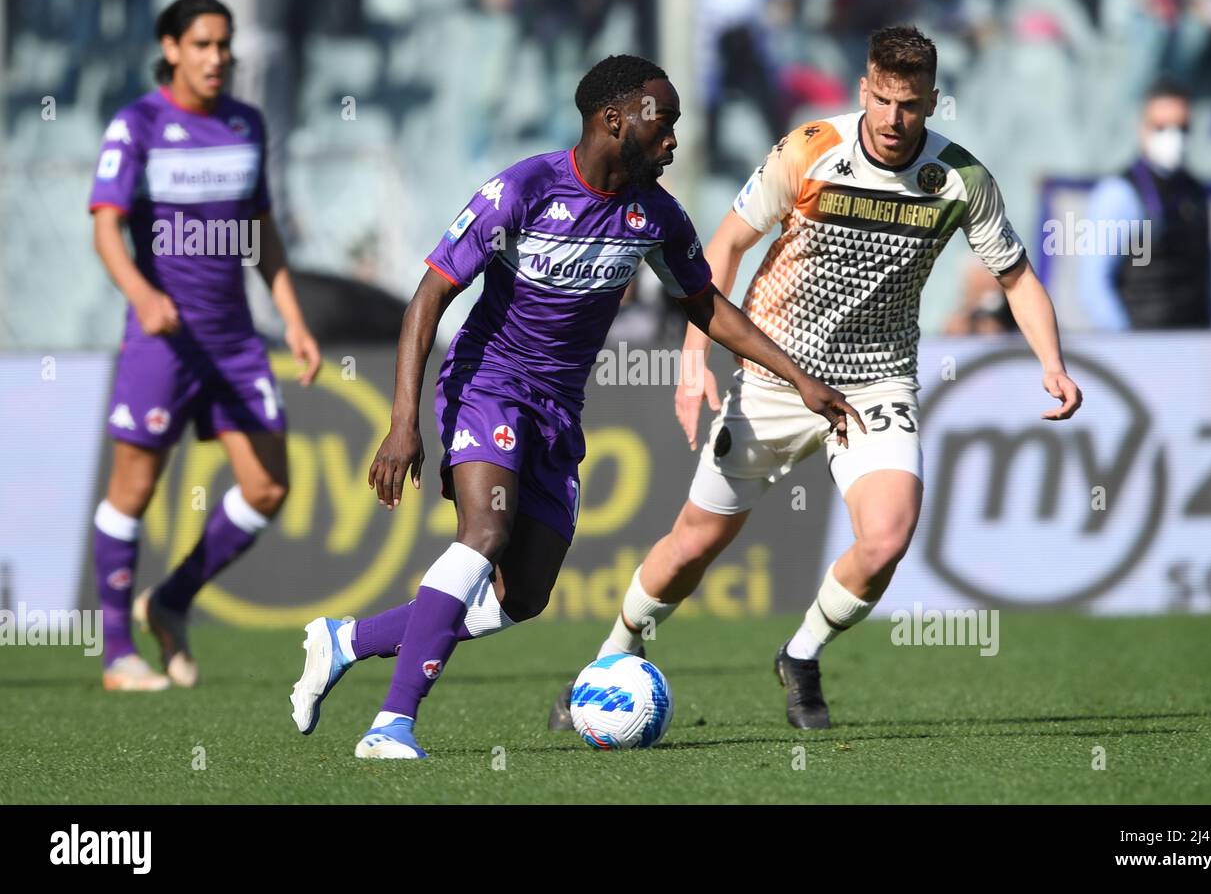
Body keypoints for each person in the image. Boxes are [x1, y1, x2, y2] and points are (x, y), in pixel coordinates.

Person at [288, 54, 865, 759]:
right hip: (488, 384)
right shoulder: (523, 191)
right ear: (613, 120)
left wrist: (799, 377)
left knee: (521, 597)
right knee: (484, 534)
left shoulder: (656, 215)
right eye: (663, 122)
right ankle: (390, 725)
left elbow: (706, 304)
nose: (673, 140)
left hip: (558, 409)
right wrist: (401, 423)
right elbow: (430, 295)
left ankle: (347, 641)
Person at [550, 26, 1083, 731]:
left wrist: (1052, 364)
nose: (895, 119)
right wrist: (693, 355)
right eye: (884, 100)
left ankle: (800, 654)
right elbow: (726, 246)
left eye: (911, 105)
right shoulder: (809, 150)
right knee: (694, 544)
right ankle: (611, 657)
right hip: (775, 374)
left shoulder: (961, 180)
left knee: (887, 537)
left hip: (874, 385)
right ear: (864, 90)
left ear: (932, 102)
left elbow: (1015, 277)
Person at [88, 0, 321, 691]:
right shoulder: (137, 125)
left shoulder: (246, 124)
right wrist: (143, 295)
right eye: (202, 44)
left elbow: (262, 232)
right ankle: (117, 653)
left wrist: (293, 317)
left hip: (234, 341)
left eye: (224, 44)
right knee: (134, 488)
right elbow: (105, 227)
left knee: (268, 485)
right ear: (171, 49)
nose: (217, 57)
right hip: (162, 341)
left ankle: (171, 600)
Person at [1079, 79, 1211, 330]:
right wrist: (1130, 344)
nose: (1173, 137)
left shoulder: (1195, 192)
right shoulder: (1119, 194)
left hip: (1194, 343)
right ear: (1142, 129)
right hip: (1142, 345)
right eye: (1161, 127)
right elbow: (1094, 286)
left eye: (1182, 128)